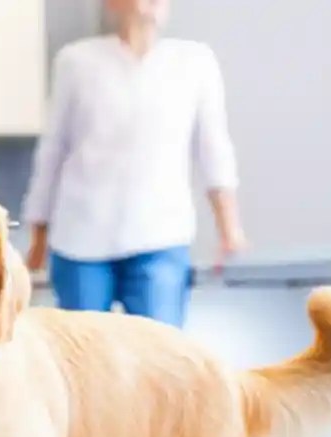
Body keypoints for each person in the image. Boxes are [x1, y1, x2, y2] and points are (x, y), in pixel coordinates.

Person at [21, 0, 248, 329]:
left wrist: (230, 231)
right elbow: (52, 152)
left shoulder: (194, 62)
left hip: (160, 238)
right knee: (85, 357)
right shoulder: (77, 62)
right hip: (81, 240)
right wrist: (38, 238)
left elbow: (214, 151)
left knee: (160, 360)